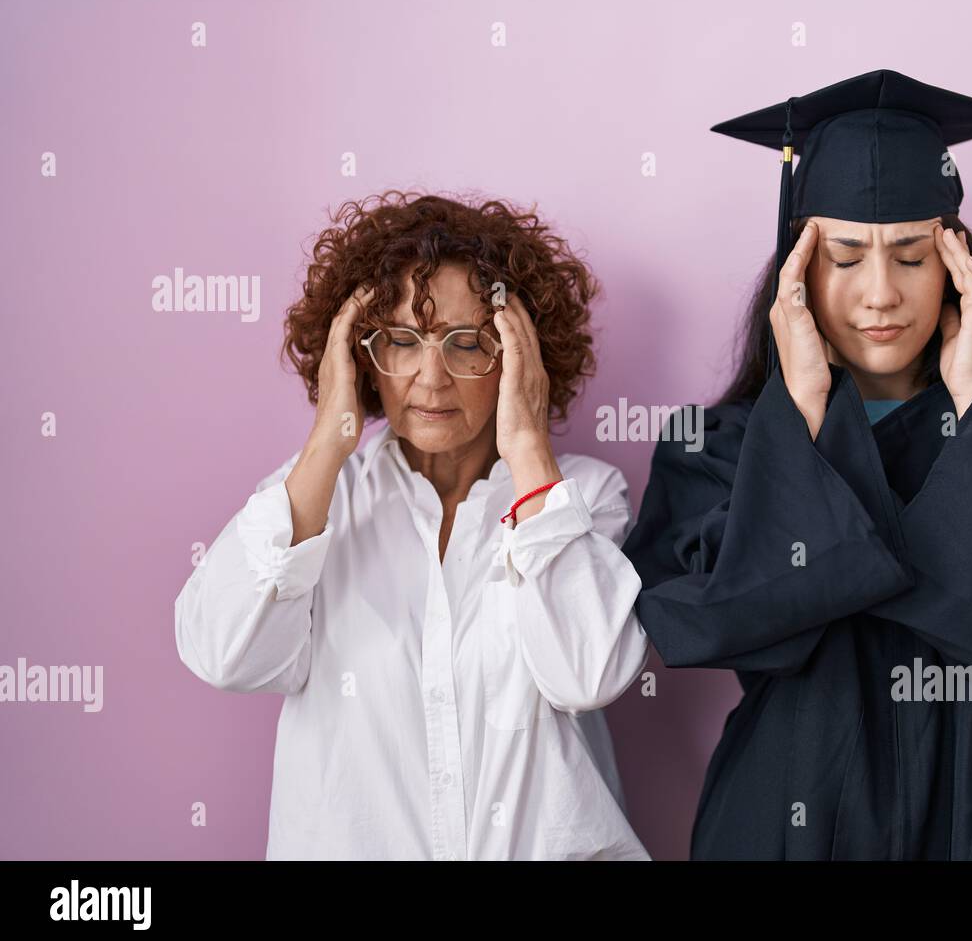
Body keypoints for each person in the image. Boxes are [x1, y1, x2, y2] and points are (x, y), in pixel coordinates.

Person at [622, 70, 972, 859]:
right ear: (796, 274)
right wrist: (798, 412)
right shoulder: (722, 444)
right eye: (845, 256)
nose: (880, 294)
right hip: (784, 813)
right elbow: (697, 620)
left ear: (957, 268)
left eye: (910, 255)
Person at [175, 190, 650, 860]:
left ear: (519, 356)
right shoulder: (316, 498)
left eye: (467, 344)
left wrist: (529, 450)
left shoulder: (584, 497)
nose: (431, 378)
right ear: (361, 358)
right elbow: (222, 653)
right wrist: (328, 440)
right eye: (400, 341)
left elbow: (585, 677)